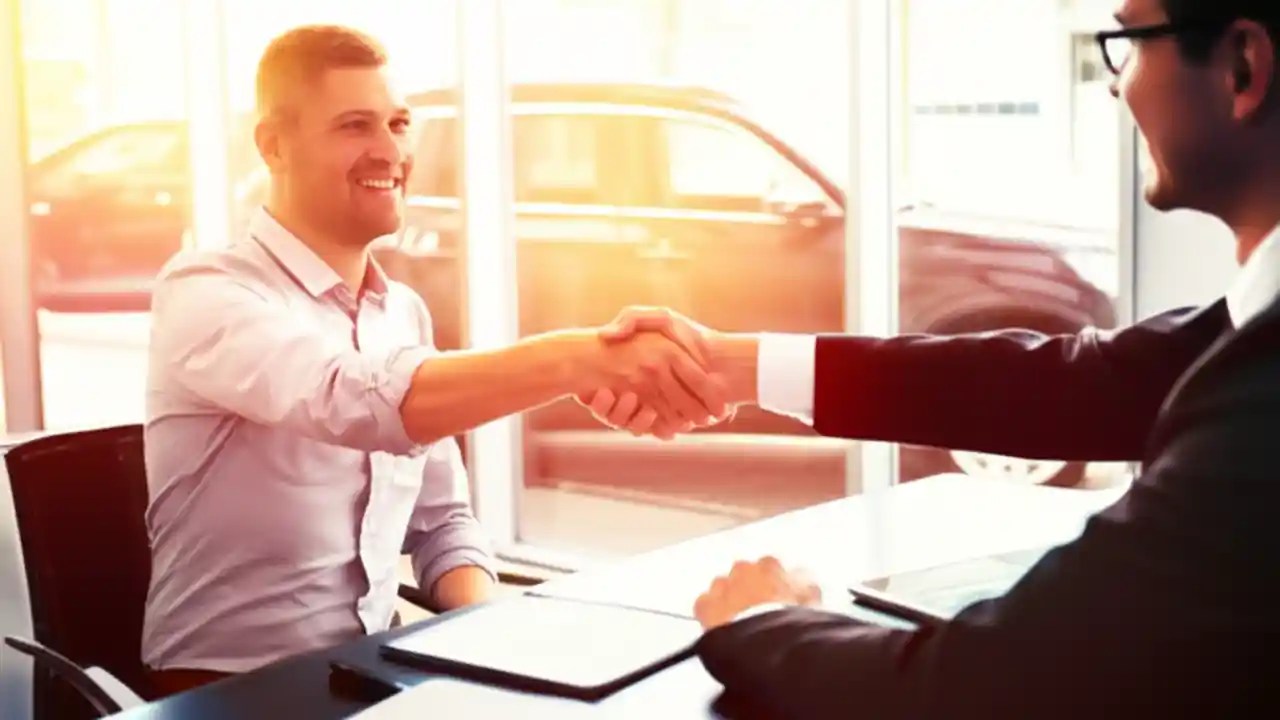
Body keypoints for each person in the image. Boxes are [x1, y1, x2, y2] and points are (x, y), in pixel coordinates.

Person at [584, 0, 1280, 715]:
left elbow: (977, 687)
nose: (1113, 84)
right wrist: (736, 366)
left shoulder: (1259, 395)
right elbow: (1080, 383)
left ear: (1242, 67)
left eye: (1127, 43)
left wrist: (763, 621)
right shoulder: (1253, 333)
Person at [140, 24, 726, 695]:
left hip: (366, 676)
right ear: (273, 145)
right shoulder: (205, 293)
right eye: (355, 125)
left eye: (398, 123)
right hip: (226, 691)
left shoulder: (401, 315)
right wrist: (579, 360)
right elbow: (355, 401)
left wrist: (500, 643)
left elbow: (441, 523)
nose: (390, 150)